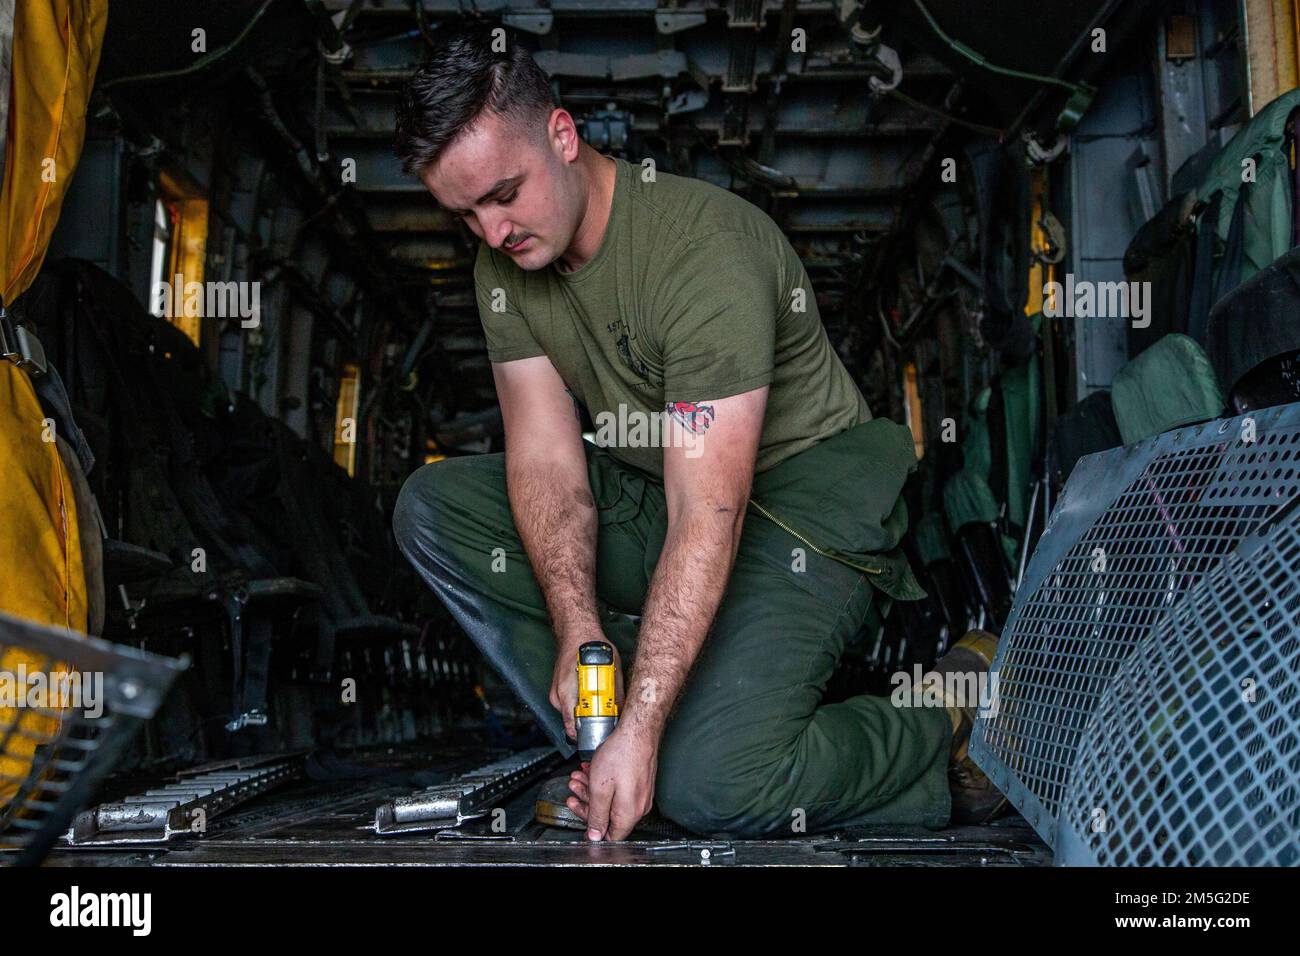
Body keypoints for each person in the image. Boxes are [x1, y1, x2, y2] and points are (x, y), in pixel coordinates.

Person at [391, 22, 1001, 841]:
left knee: (715, 787)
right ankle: (610, 757)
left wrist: (645, 727)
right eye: (465, 214)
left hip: (803, 508)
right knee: (434, 506)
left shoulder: (703, 254)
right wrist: (580, 633)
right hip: (655, 490)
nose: (494, 233)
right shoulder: (503, 270)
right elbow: (545, 464)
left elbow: (708, 510)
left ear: (563, 136)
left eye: (504, 194)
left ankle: (945, 712)